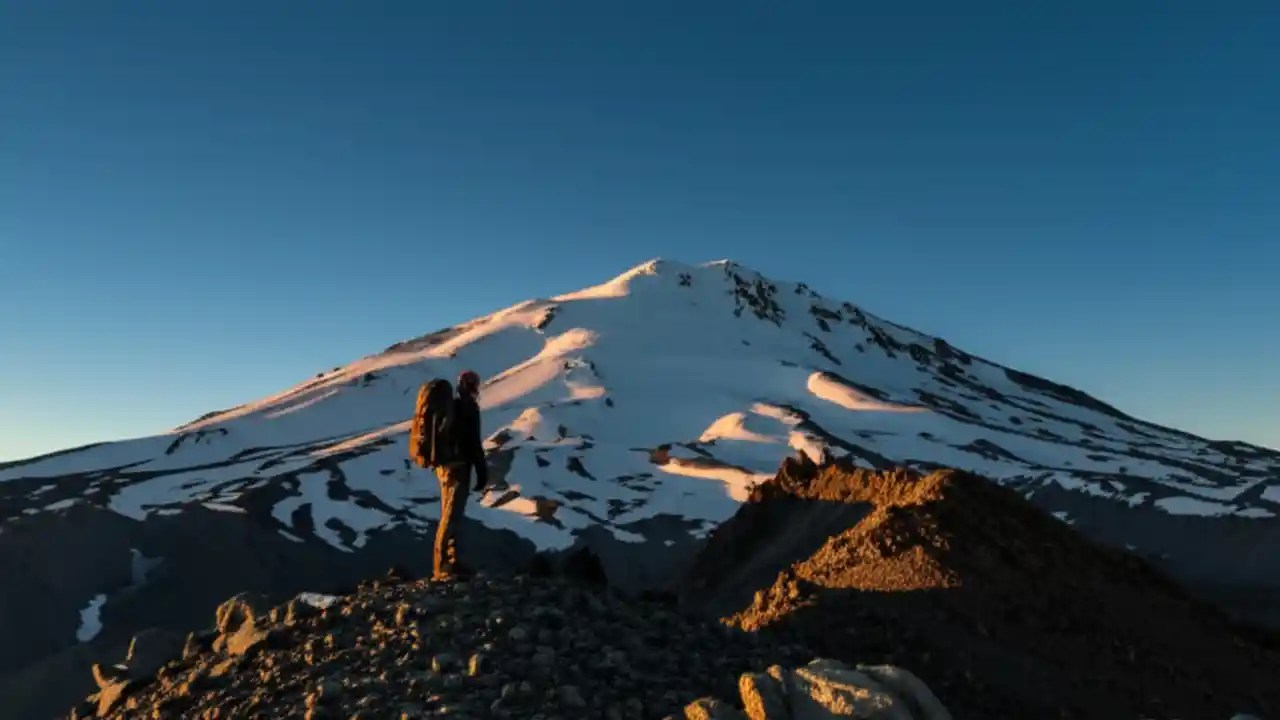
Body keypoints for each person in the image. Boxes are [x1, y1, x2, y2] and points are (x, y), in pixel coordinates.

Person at [432, 369, 489, 580]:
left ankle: (446, 563)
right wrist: (482, 471)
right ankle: (445, 566)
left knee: (448, 513)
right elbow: (473, 442)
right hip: (459, 467)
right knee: (453, 515)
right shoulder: (469, 409)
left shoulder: (451, 407)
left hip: (445, 467)